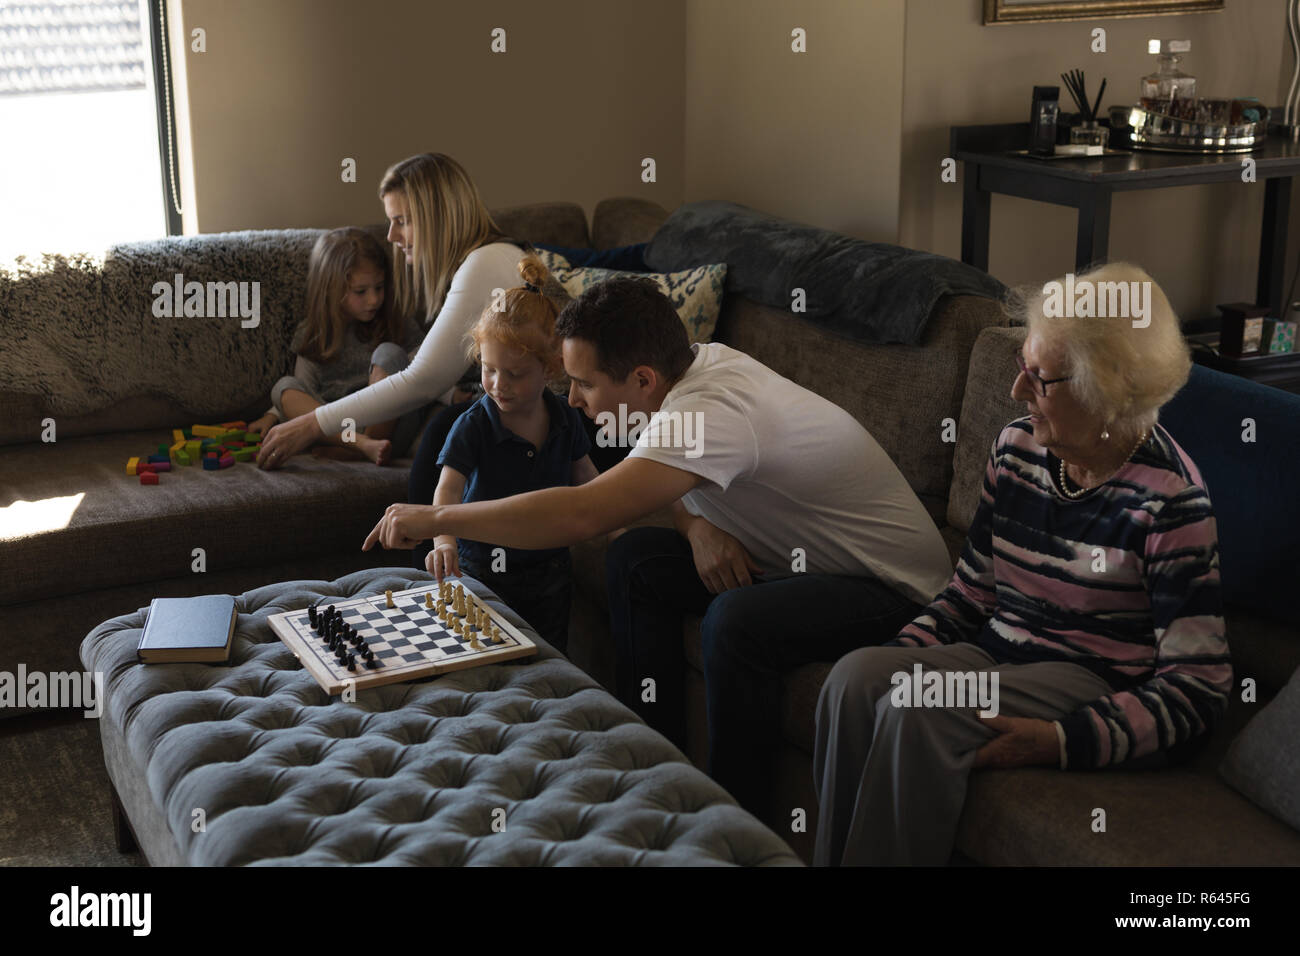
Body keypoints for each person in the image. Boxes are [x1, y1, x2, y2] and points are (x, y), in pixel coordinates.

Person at [362, 275, 954, 818]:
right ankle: (651, 760)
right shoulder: (694, 370)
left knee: (735, 621)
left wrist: (438, 516)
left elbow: (583, 512)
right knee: (634, 560)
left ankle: (731, 817)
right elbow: (672, 481)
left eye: (585, 384)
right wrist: (697, 526)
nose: (572, 400)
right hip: (802, 562)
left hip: (891, 587)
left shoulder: (708, 411)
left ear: (641, 378)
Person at [812, 262, 1231, 867]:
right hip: (1000, 648)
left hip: (1091, 676)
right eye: (1021, 369)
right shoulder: (1017, 449)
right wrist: (902, 656)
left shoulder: (1170, 501)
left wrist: (1066, 740)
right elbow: (971, 591)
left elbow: (1200, 688)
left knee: (918, 708)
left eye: (1040, 379)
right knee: (854, 681)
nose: (1016, 393)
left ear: (1106, 389)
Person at [257, 153, 531, 476]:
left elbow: (422, 380)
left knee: (446, 430)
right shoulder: (487, 259)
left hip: (548, 417)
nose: (390, 236)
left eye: (402, 221)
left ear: (437, 217)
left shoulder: (484, 264)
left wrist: (312, 425)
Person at [428, 254, 598, 652]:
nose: (498, 384)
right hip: (482, 568)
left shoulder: (564, 418)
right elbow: (447, 492)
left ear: (551, 368)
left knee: (549, 654)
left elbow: (588, 478)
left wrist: (620, 523)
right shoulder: (473, 425)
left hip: (550, 568)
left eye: (515, 374)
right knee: (484, 653)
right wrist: (444, 542)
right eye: (488, 369)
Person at [246, 228, 423, 462]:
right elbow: (303, 393)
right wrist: (273, 414)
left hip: (388, 428)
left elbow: (427, 364)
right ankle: (361, 446)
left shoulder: (395, 322)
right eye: (360, 291)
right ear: (331, 289)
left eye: (379, 288)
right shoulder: (313, 335)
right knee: (284, 387)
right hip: (340, 431)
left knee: (389, 354)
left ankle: (368, 445)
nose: (373, 299)